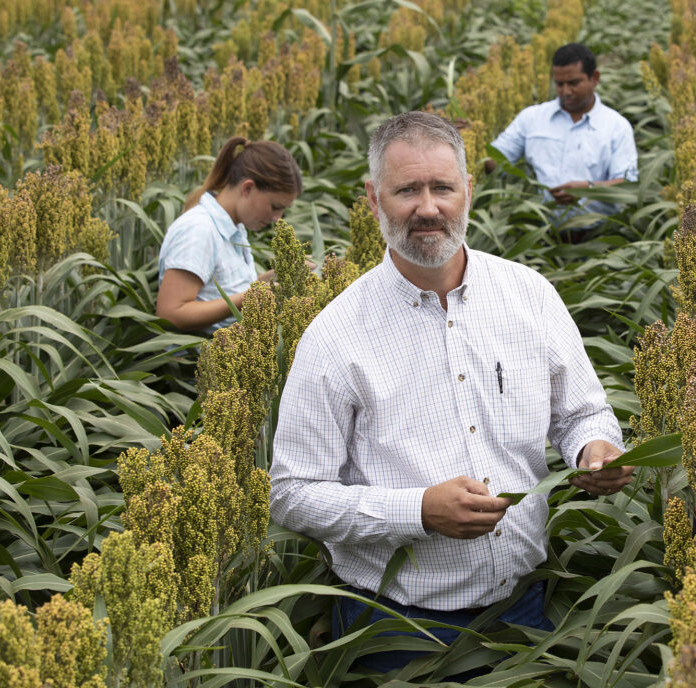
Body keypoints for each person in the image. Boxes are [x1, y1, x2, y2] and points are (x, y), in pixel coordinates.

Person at [269, 112, 633, 673]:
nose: (428, 207)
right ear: (373, 199)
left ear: (469, 189)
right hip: (396, 629)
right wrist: (418, 510)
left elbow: (582, 412)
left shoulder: (529, 296)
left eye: (442, 187)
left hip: (523, 614)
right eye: (406, 190)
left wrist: (594, 450)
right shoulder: (335, 336)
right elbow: (293, 492)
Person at [157, 136, 303, 332]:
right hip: (196, 359)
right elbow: (171, 313)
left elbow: (227, 290)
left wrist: (281, 275)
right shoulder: (198, 230)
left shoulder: (235, 226)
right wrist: (254, 296)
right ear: (248, 188)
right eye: (275, 206)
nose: (278, 218)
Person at [488, 43, 638, 231]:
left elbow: (628, 185)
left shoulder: (616, 126)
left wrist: (589, 189)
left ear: (595, 78)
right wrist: (468, 139)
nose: (566, 91)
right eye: (559, 84)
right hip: (539, 239)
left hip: (600, 241)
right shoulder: (532, 118)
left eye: (574, 83)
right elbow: (495, 163)